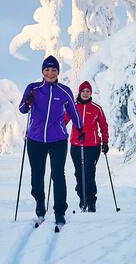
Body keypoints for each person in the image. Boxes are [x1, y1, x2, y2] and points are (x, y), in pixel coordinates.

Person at [18, 55, 83, 226]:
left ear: (58, 72)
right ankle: (40, 207)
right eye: (47, 69)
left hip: (58, 140)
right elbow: (22, 109)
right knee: (37, 177)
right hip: (35, 139)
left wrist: (80, 128)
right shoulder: (33, 88)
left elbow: (74, 112)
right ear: (42, 71)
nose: (50, 73)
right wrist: (28, 100)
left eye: (54, 70)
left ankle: (60, 212)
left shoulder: (64, 91)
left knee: (58, 175)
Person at [68, 80, 109, 212]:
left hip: (93, 146)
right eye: (83, 91)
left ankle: (91, 201)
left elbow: (104, 126)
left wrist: (105, 142)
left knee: (89, 173)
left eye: (88, 91)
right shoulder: (72, 107)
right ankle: (82, 199)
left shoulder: (97, 109)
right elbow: (62, 121)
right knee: (79, 174)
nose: (85, 93)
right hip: (76, 145)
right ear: (79, 92)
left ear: (90, 93)